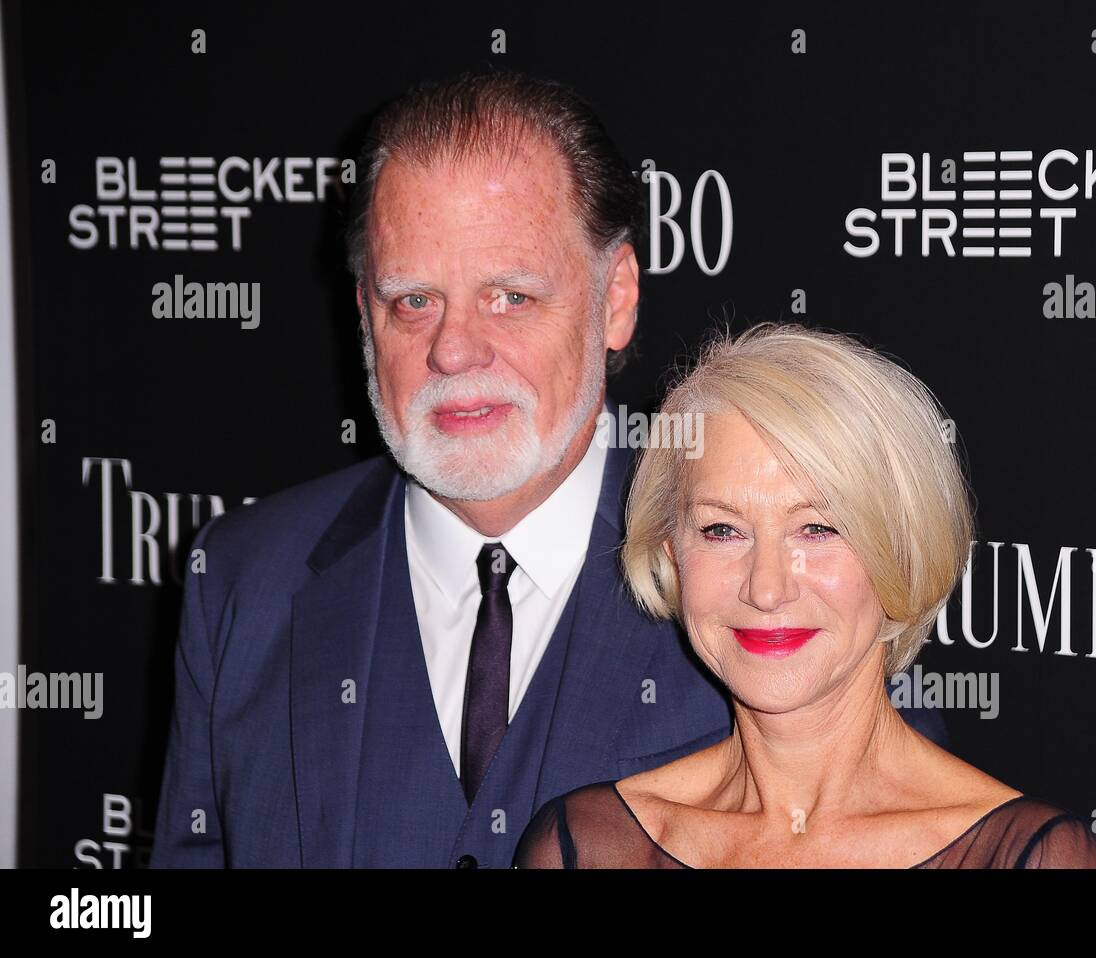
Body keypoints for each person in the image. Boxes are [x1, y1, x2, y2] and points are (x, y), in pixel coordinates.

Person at [149, 70, 947, 869]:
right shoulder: (245, 580)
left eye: (511, 297)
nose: (454, 349)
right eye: (413, 301)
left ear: (617, 298)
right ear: (363, 313)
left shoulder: (767, 581)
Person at [514, 323, 1096, 868]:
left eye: (818, 529)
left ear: (899, 555)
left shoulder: (1026, 858)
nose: (767, 588)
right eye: (723, 531)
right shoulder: (586, 847)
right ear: (673, 557)